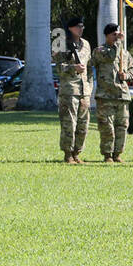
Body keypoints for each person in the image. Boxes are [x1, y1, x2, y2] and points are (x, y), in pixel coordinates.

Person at [90, 22, 133, 162]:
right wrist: (119, 43)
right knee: (106, 127)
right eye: (113, 35)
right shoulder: (100, 51)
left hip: (122, 95)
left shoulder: (125, 53)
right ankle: (107, 154)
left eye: (118, 34)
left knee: (122, 127)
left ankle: (117, 153)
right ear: (107, 36)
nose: (116, 37)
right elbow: (110, 56)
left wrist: (126, 76)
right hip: (106, 95)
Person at [54, 16, 92, 164]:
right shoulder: (61, 43)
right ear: (70, 28)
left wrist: (89, 87)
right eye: (78, 27)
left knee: (83, 125)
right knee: (69, 124)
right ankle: (68, 154)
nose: (81, 29)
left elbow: (88, 68)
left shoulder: (86, 45)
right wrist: (72, 68)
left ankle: (77, 153)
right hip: (69, 90)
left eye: (82, 26)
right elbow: (58, 68)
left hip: (84, 91)